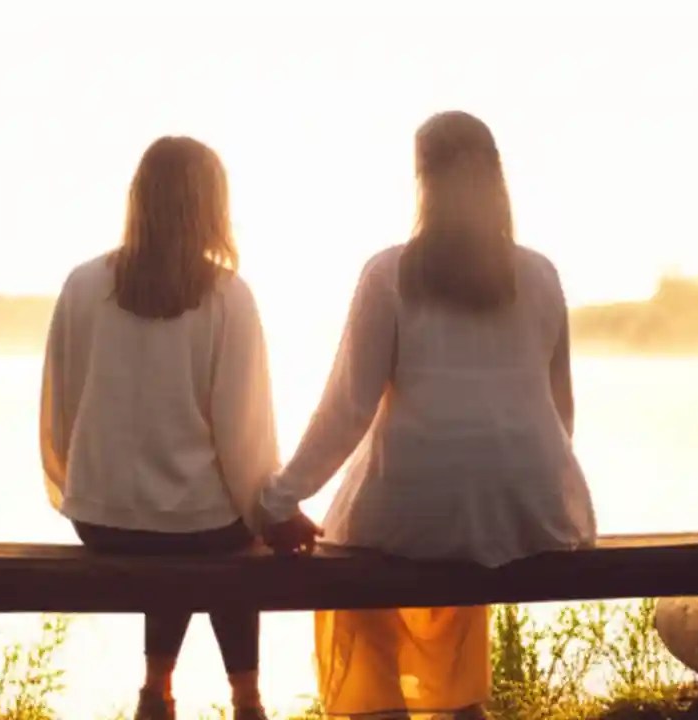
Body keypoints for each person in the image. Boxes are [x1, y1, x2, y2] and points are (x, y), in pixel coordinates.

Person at [260, 111, 597, 719]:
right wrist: (527, 484)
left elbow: (348, 408)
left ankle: (379, 709)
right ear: (496, 177)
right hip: (531, 513)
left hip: (427, 514)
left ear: (424, 181)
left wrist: (280, 498)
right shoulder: (539, 274)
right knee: (467, 526)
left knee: (363, 537)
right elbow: (561, 408)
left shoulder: (390, 274)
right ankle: (457, 705)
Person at [40, 136, 278, 720]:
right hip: (198, 529)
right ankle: (246, 699)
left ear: (138, 199)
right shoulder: (228, 297)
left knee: (182, 520)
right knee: (223, 531)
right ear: (212, 207)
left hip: (101, 521)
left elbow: (59, 409)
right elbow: (243, 438)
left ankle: (156, 689)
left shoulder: (83, 285)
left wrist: (82, 489)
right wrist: (270, 511)